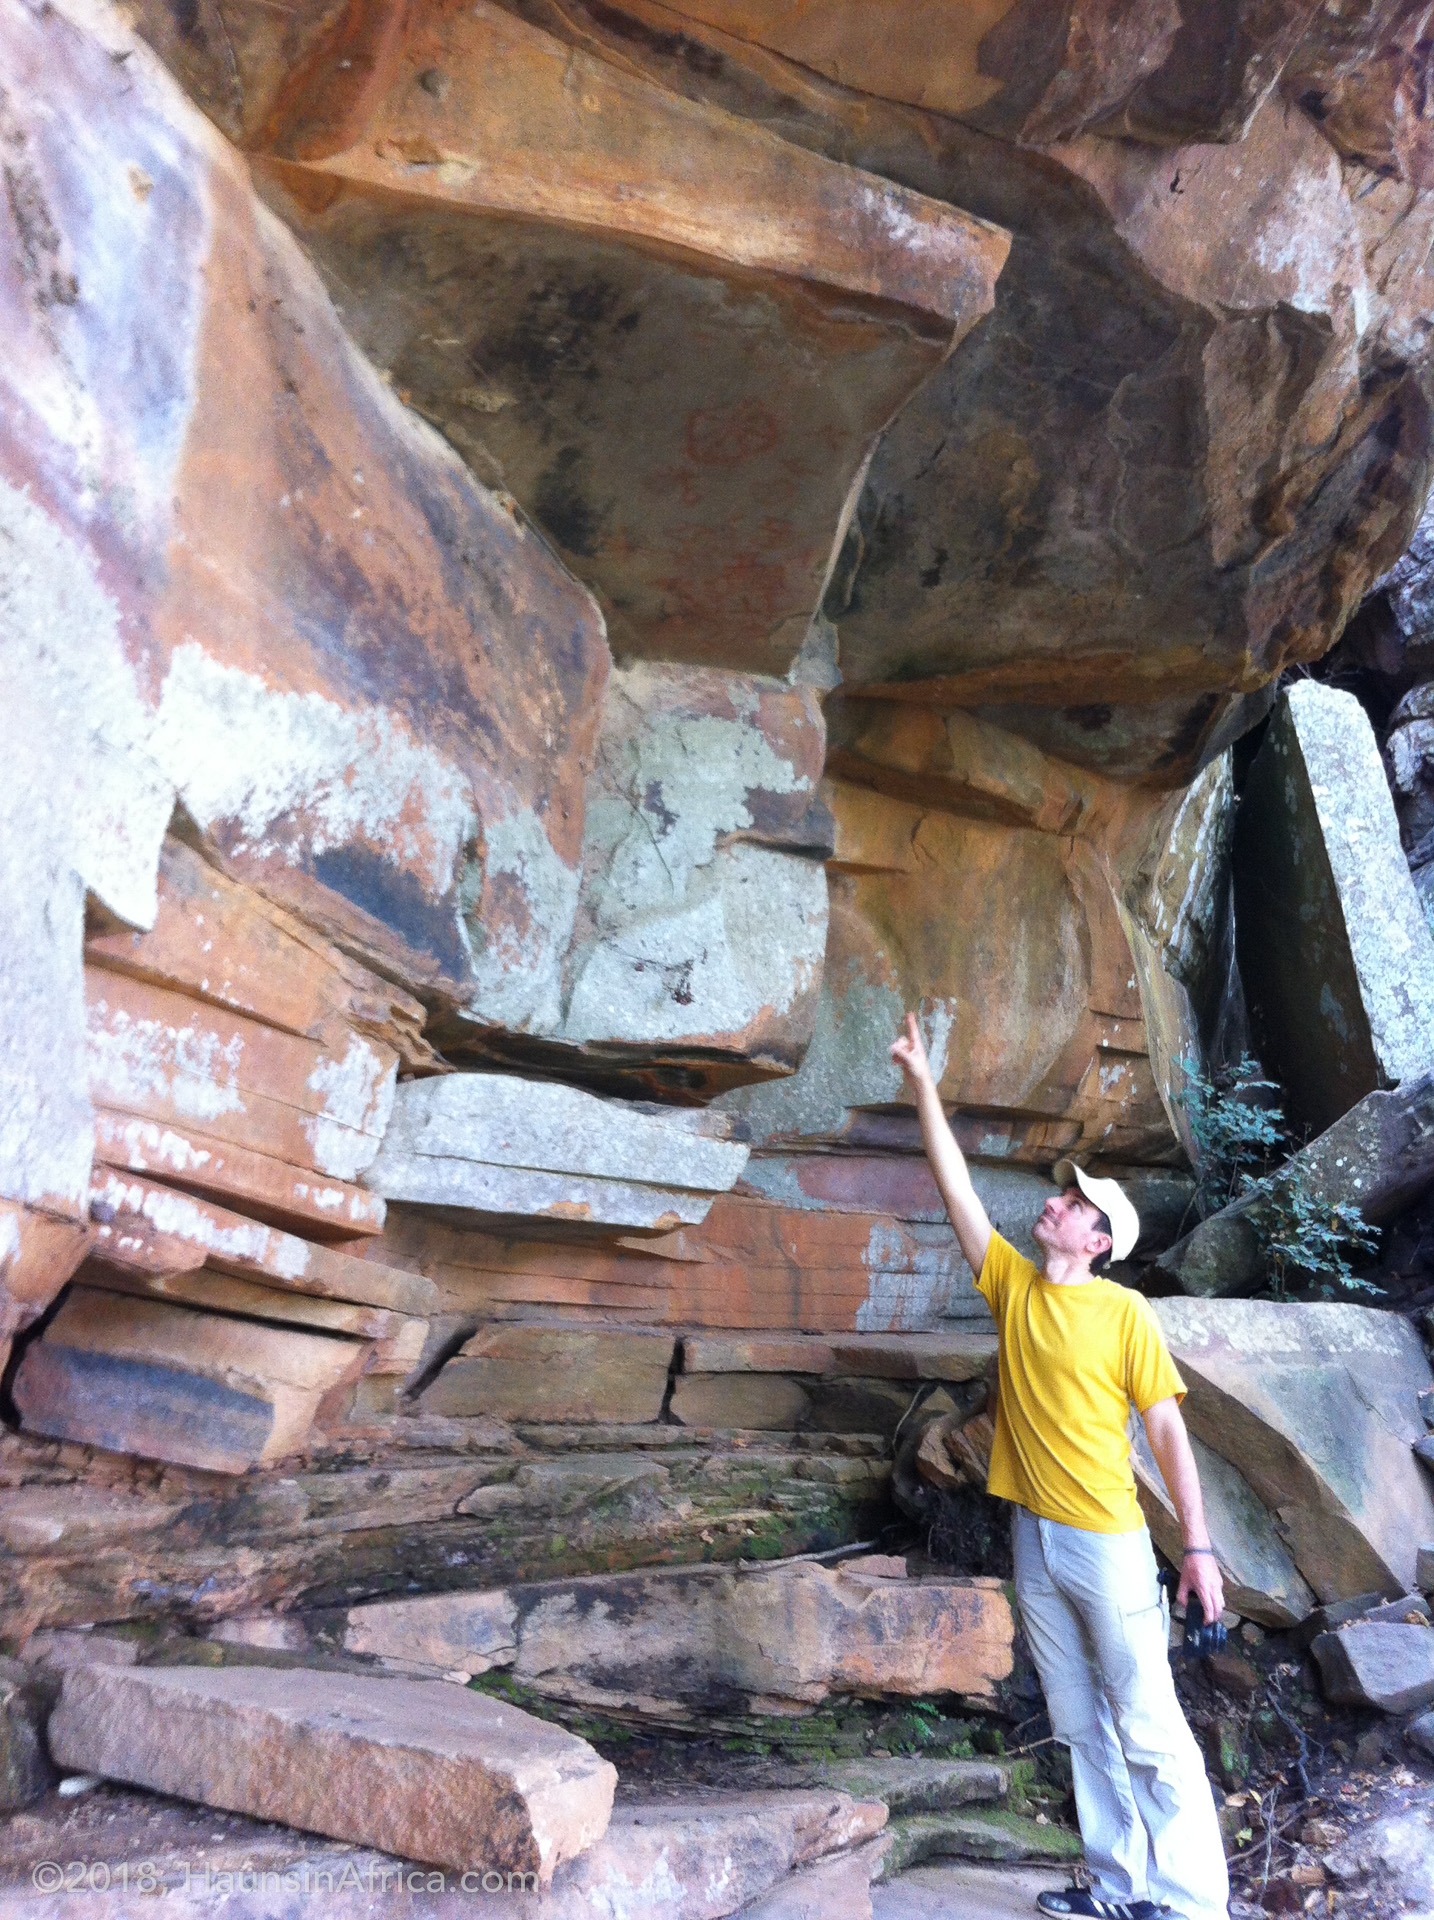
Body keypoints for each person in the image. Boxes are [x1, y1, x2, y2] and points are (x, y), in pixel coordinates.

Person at [891, 1013, 1229, 1920]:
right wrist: (924, 1085)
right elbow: (955, 1187)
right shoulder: (1011, 1285)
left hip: (1108, 1543)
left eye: (1077, 1206)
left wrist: (1196, 1550)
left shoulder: (1124, 1314)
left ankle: (1193, 1903)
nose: (1058, 1204)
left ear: (1099, 1241)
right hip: (1035, 1536)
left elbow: (1166, 1434)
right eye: (1063, 1196)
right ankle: (1120, 1889)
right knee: (1081, 1725)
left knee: (1149, 1726)